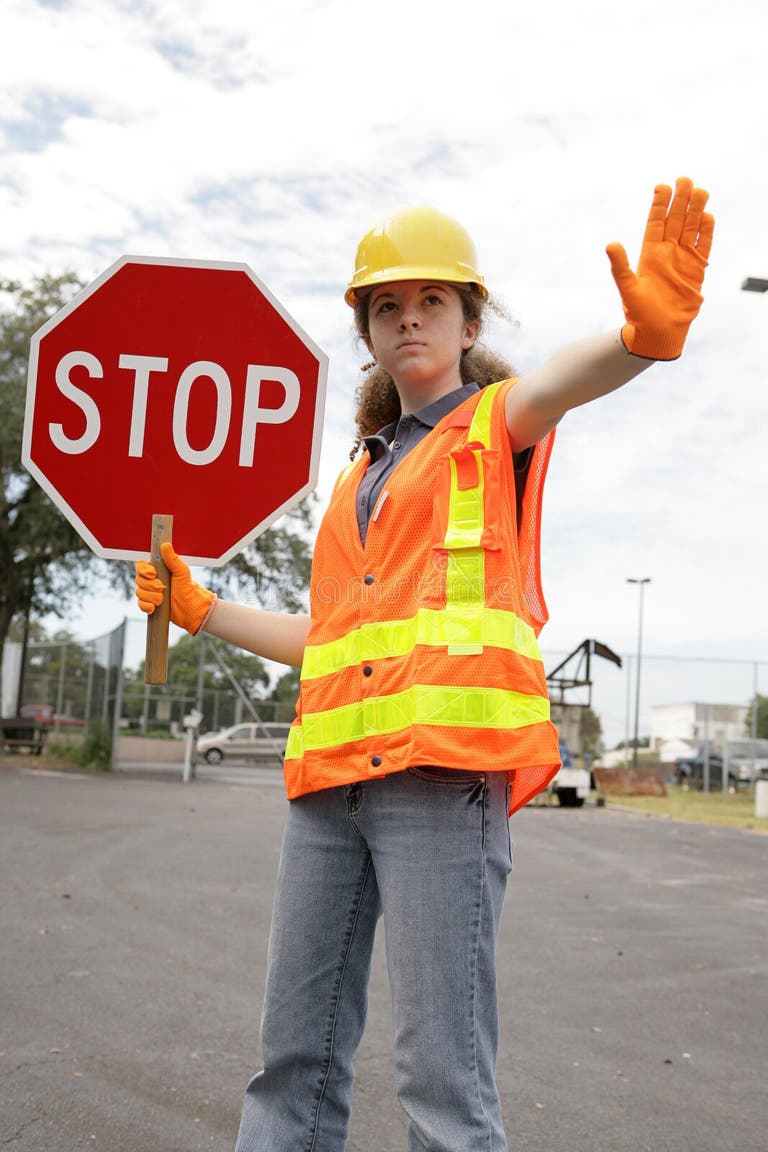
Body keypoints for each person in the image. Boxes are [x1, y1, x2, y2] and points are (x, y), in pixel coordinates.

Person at [135, 177, 713, 1152]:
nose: (409, 320)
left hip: (441, 785)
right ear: (366, 330)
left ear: (467, 317)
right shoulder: (358, 477)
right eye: (387, 306)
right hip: (328, 793)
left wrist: (638, 341)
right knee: (291, 1068)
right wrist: (202, 612)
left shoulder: (493, 427)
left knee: (443, 1088)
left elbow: (557, 382)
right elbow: (329, 638)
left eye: (431, 302)